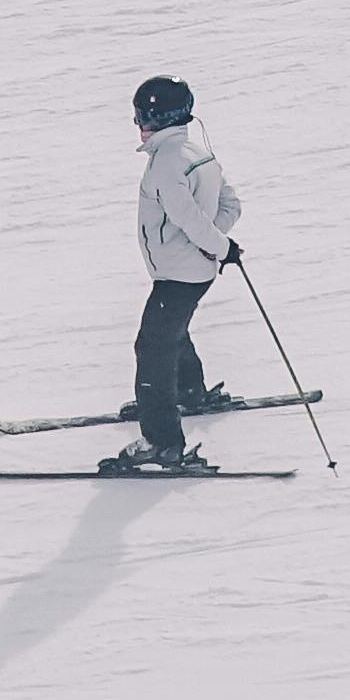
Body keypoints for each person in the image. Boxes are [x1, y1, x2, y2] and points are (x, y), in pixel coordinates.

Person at [109, 75, 242, 473]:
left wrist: (213, 246)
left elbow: (190, 219)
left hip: (179, 273)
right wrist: (212, 245)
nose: (137, 125)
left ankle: (162, 441)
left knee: (151, 350)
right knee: (172, 331)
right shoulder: (196, 152)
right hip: (189, 270)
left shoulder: (166, 166)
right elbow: (230, 207)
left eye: (141, 116)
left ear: (159, 118)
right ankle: (190, 392)